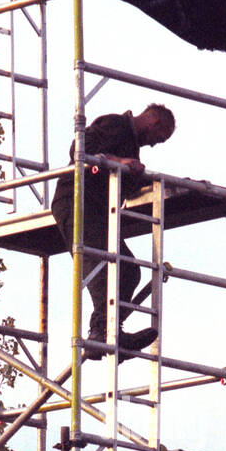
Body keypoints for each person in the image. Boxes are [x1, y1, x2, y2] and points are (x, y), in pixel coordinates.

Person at [50, 103, 175, 358]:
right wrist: (119, 162)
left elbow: (128, 184)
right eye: (158, 139)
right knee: (102, 265)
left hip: (96, 210)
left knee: (127, 270)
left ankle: (110, 331)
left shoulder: (131, 146)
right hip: (76, 202)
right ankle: (100, 333)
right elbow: (79, 150)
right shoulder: (116, 125)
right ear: (153, 122)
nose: (154, 144)